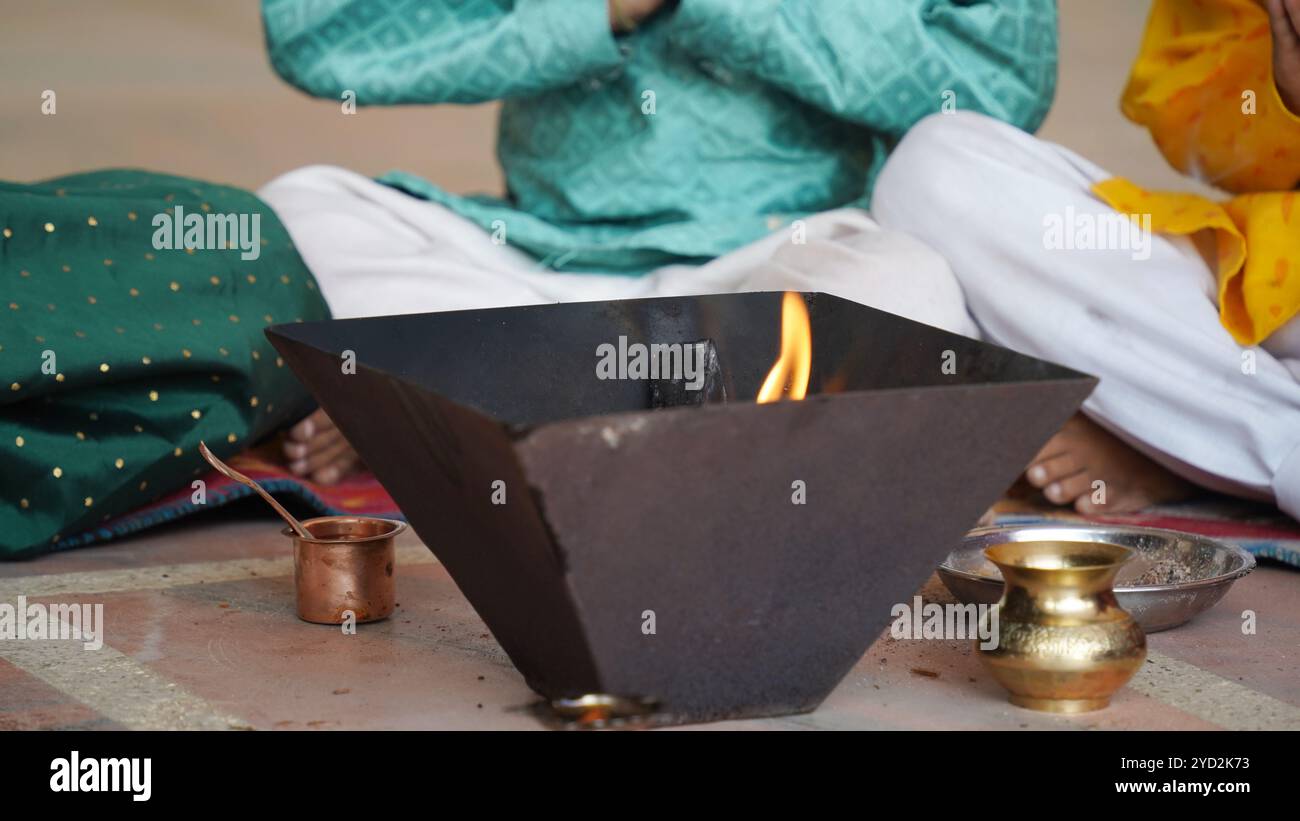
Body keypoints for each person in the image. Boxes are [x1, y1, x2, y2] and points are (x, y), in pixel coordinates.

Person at [257, 0, 1060, 484]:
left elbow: (1001, 88)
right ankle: (639, 414)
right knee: (295, 216)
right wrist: (594, 11)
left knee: (906, 290)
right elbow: (317, 33)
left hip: (777, 270)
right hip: (540, 270)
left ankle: (464, 398)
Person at [872, 0, 1300, 518]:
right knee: (933, 171)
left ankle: (1193, 442)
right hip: (1265, 267)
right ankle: (1214, 441)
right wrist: (1285, 93)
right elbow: (1195, 131)